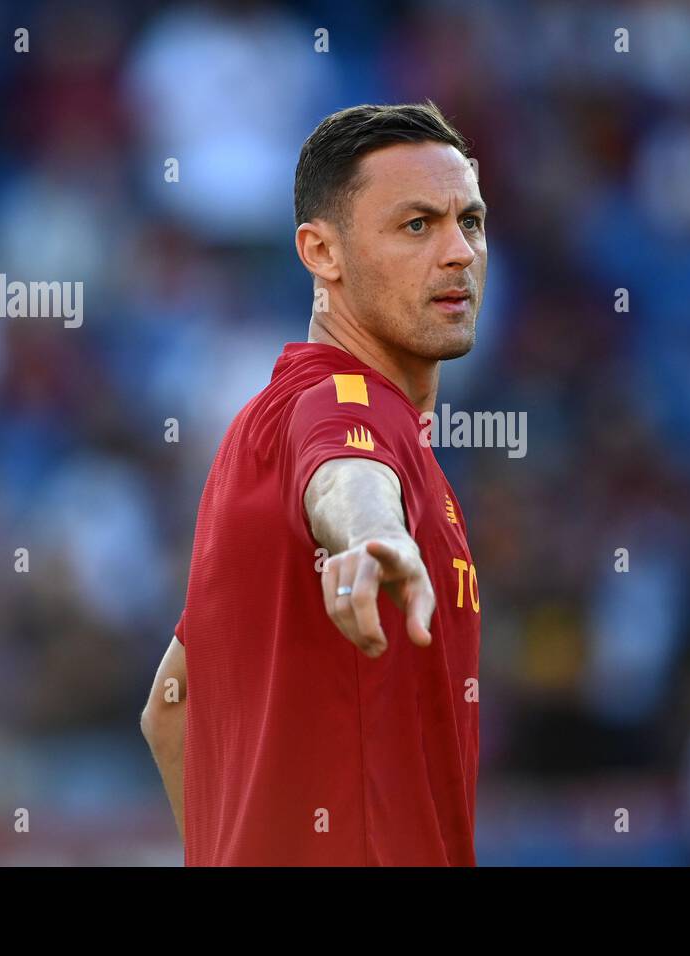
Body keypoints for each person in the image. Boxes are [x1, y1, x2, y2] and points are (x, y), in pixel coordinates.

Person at [140, 101, 487, 866]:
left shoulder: (261, 426)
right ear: (321, 253)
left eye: (472, 221)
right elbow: (350, 478)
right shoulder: (348, 401)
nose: (459, 251)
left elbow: (173, 710)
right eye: (417, 225)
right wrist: (374, 537)